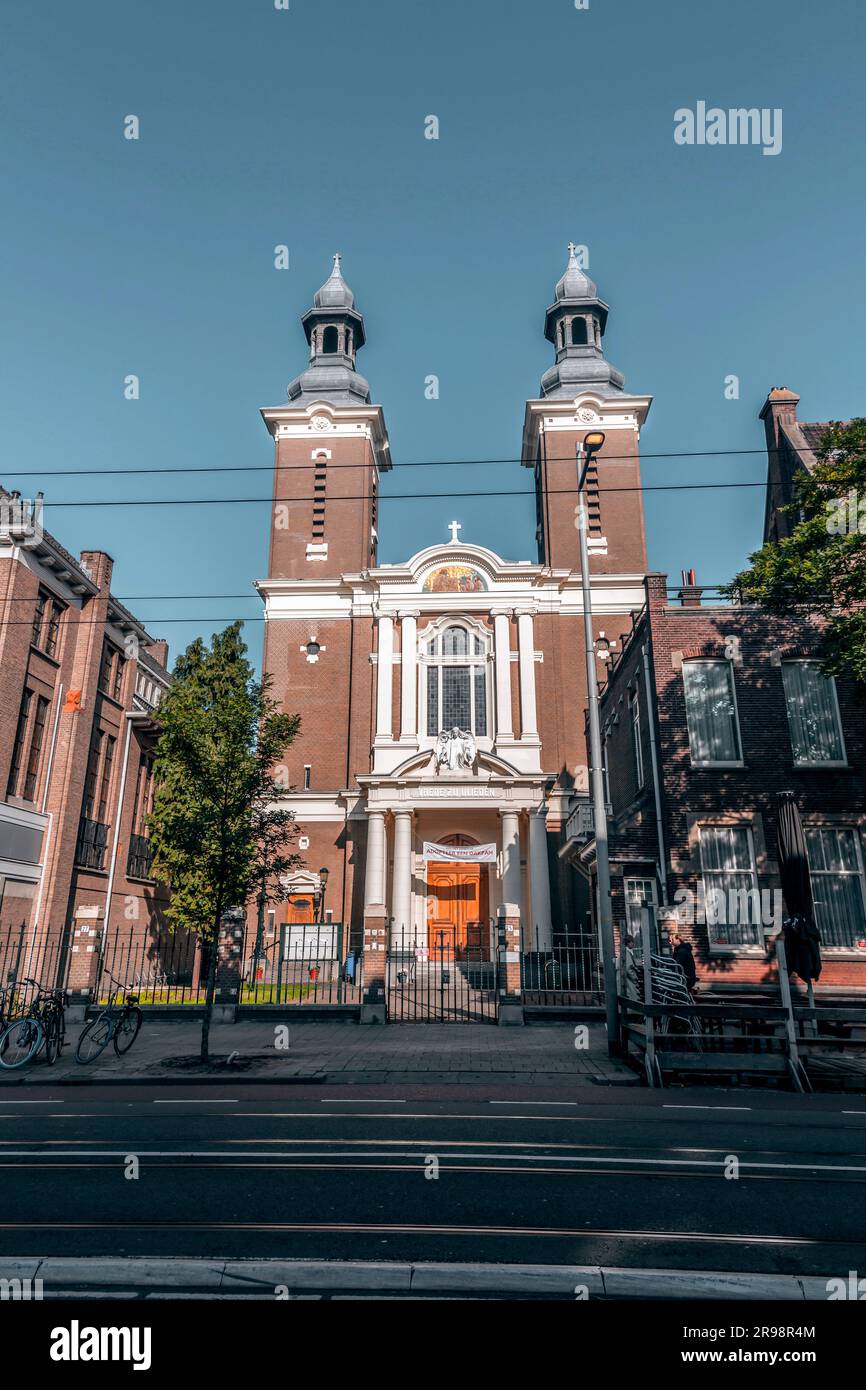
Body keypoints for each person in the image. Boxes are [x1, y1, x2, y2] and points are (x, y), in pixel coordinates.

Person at [669, 931, 698, 996]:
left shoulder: (682, 951)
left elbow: (677, 965)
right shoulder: (680, 949)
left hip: (686, 979)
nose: (670, 942)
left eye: (672, 940)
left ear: (678, 939)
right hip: (686, 977)